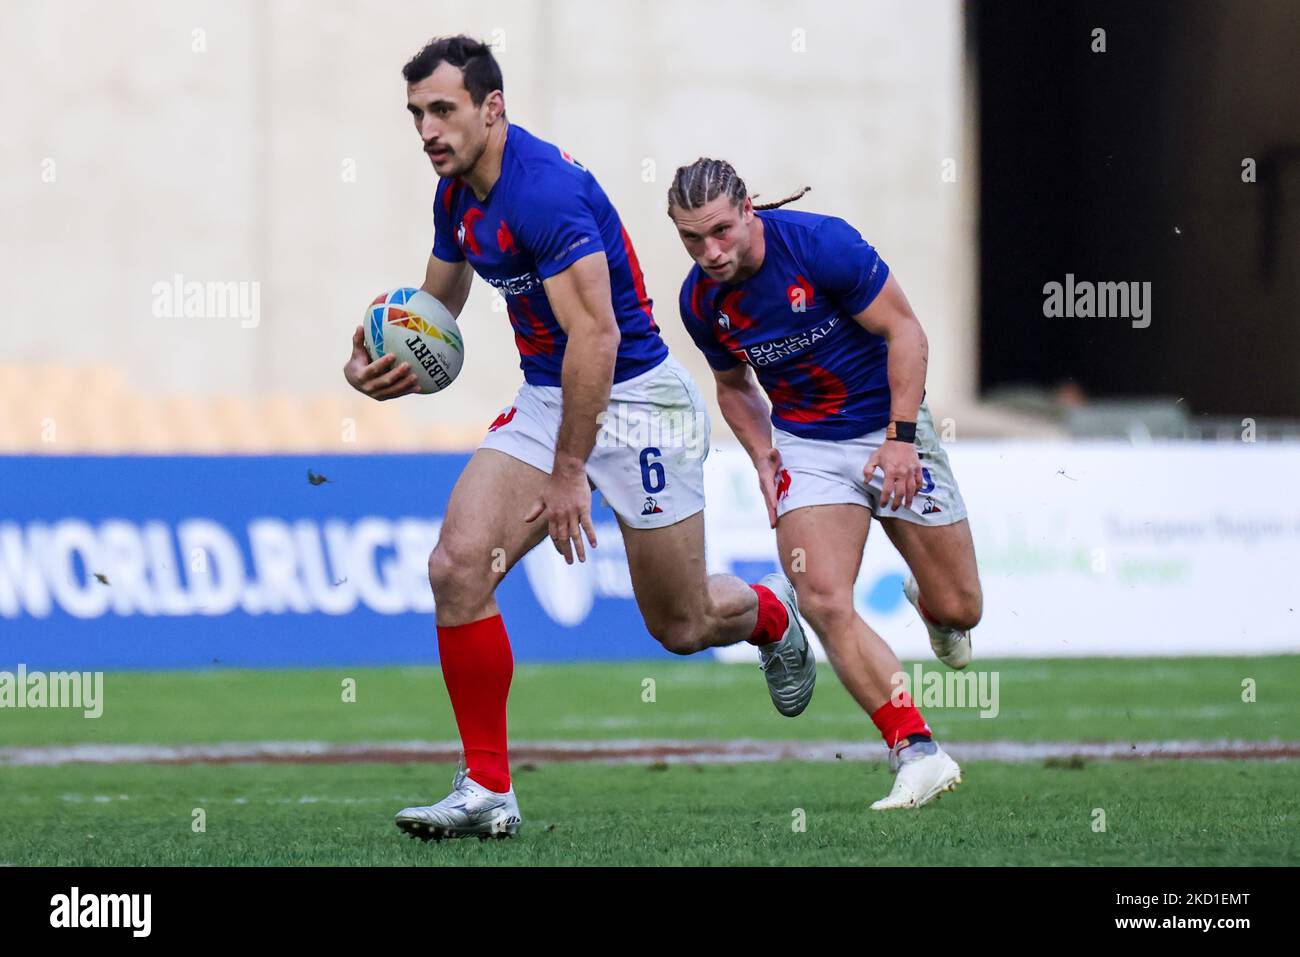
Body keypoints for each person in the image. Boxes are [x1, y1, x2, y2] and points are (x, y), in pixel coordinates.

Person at [343, 39, 816, 841]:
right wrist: (383, 352)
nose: (428, 129)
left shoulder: (545, 193)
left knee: (682, 625)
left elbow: (595, 337)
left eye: (443, 110)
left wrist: (571, 473)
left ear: (493, 108)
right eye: (417, 114)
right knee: (456, 567)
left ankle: (771, 613)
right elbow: (439, 301)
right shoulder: (457, 193)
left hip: (635, 401)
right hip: (545, 395)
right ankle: (487, 787)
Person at [667, 158, 983, 810]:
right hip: (808, 448)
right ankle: (916, 748)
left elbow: (906, 330)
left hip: (887, 426)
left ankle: (933, 606)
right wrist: (762, 454)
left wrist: (900, 438)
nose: (711, 251)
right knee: (823, 595)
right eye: (692, 239)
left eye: (721, 231)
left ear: (749, 209)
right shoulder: (701, 301)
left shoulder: (821, 244)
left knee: (962, 610)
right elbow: (734, 388)